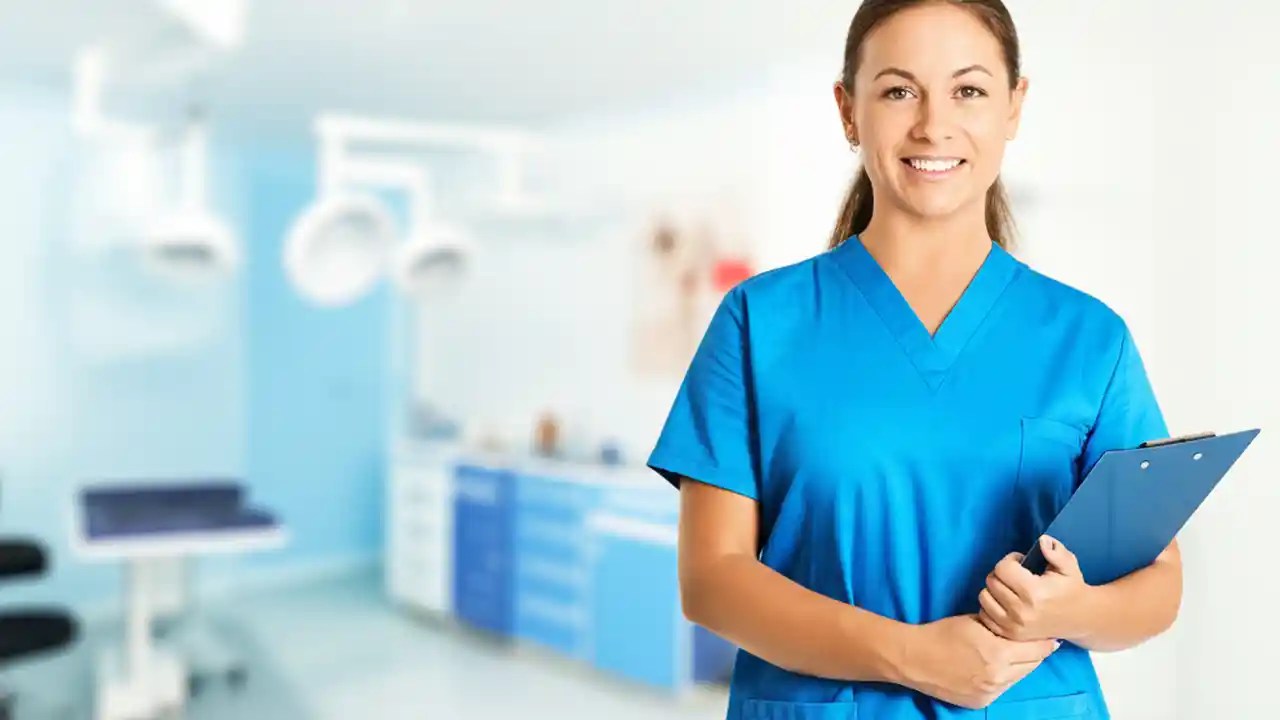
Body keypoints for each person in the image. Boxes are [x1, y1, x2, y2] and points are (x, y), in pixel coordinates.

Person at [645, 1, 1183, 718]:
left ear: (1014, 106)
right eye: (900, 91)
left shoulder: (1088, 338)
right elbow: (712, 579)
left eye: (969, 90)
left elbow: (1158, 584)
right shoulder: (759, 323)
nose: (934, 124)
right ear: (848, 110)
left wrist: (1067, 608)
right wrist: (913, 655)